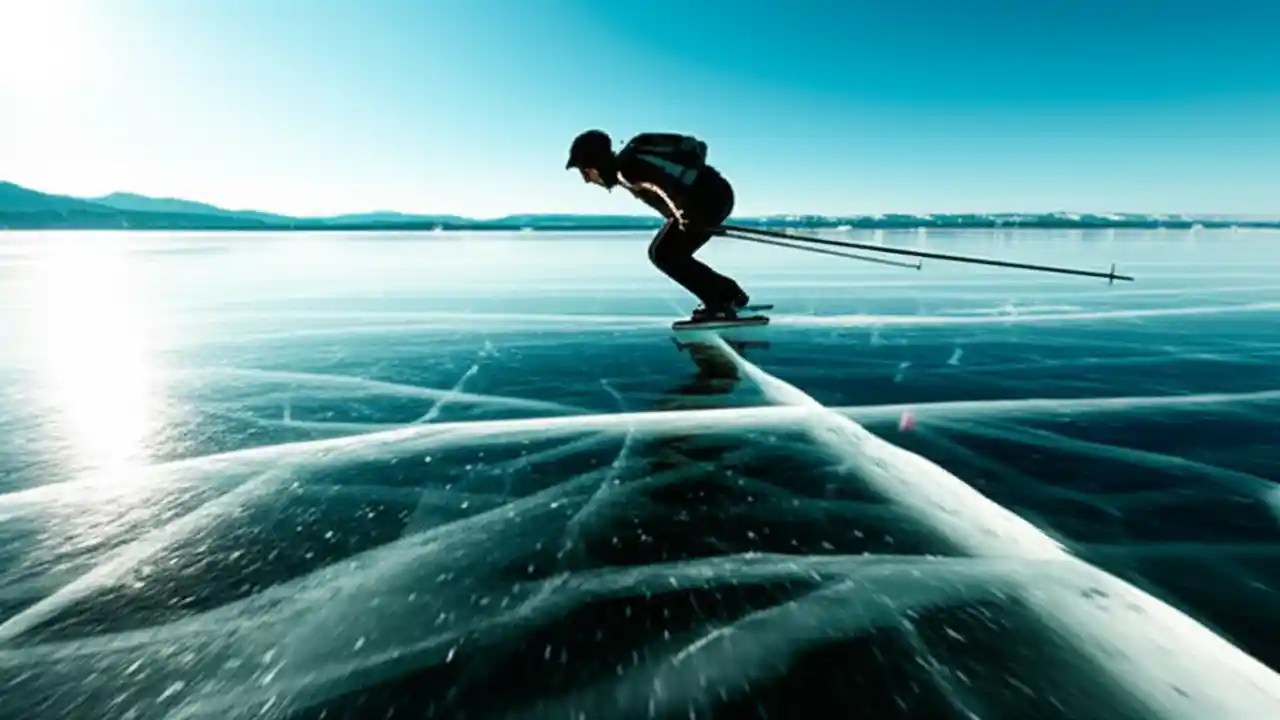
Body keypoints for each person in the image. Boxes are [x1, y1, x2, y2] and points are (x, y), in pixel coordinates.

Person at [565, 129, 750, 322]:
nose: (587, 180)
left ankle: (720, 304)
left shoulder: (627, 170)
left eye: (585, 171)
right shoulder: (635, 154)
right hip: (716, 193)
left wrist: (682, 213)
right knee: (666, 252)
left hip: (706, 199)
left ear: (597, 163)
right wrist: (682, 210)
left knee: (664, 254)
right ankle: (730, 296)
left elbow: (658, 184)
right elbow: (696, 148)